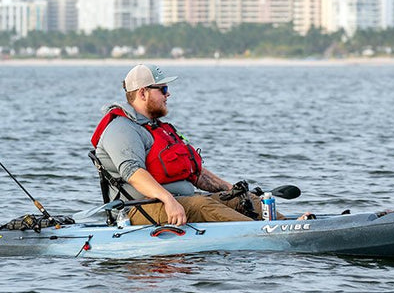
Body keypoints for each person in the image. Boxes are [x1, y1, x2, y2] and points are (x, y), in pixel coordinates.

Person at [91, 63, 266, 226]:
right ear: (142, 93)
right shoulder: (122, 129)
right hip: (137, 210)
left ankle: (283, 227)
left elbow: (194, 173)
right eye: (163, 89)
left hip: (180, 200)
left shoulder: (158, 128)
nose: (168, 94)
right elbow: (133, 173)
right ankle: (263, 232)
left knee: (245, 199)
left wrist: (233, 190)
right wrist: (169, 200)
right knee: (201, 204)